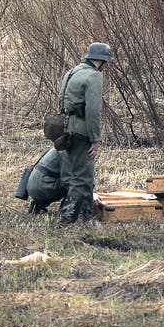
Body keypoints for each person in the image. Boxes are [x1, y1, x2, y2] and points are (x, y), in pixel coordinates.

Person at [57, 42, 113, 225]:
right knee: (83, 177)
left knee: (73, 173)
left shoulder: (72, 72)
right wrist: (95, 138)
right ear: (102, 60)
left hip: (67, 129)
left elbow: (61, 100)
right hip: (82, 131)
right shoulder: (94, 76)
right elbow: (93, 111)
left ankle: (86, 215)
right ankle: (68, 219)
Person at [27, 147, 68, 214]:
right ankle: (67, 211)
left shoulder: (59, 145)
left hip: (32, 185)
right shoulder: (67, 149)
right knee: (79, 183)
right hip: (44, 185)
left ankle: (38, 205)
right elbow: (71, 178)